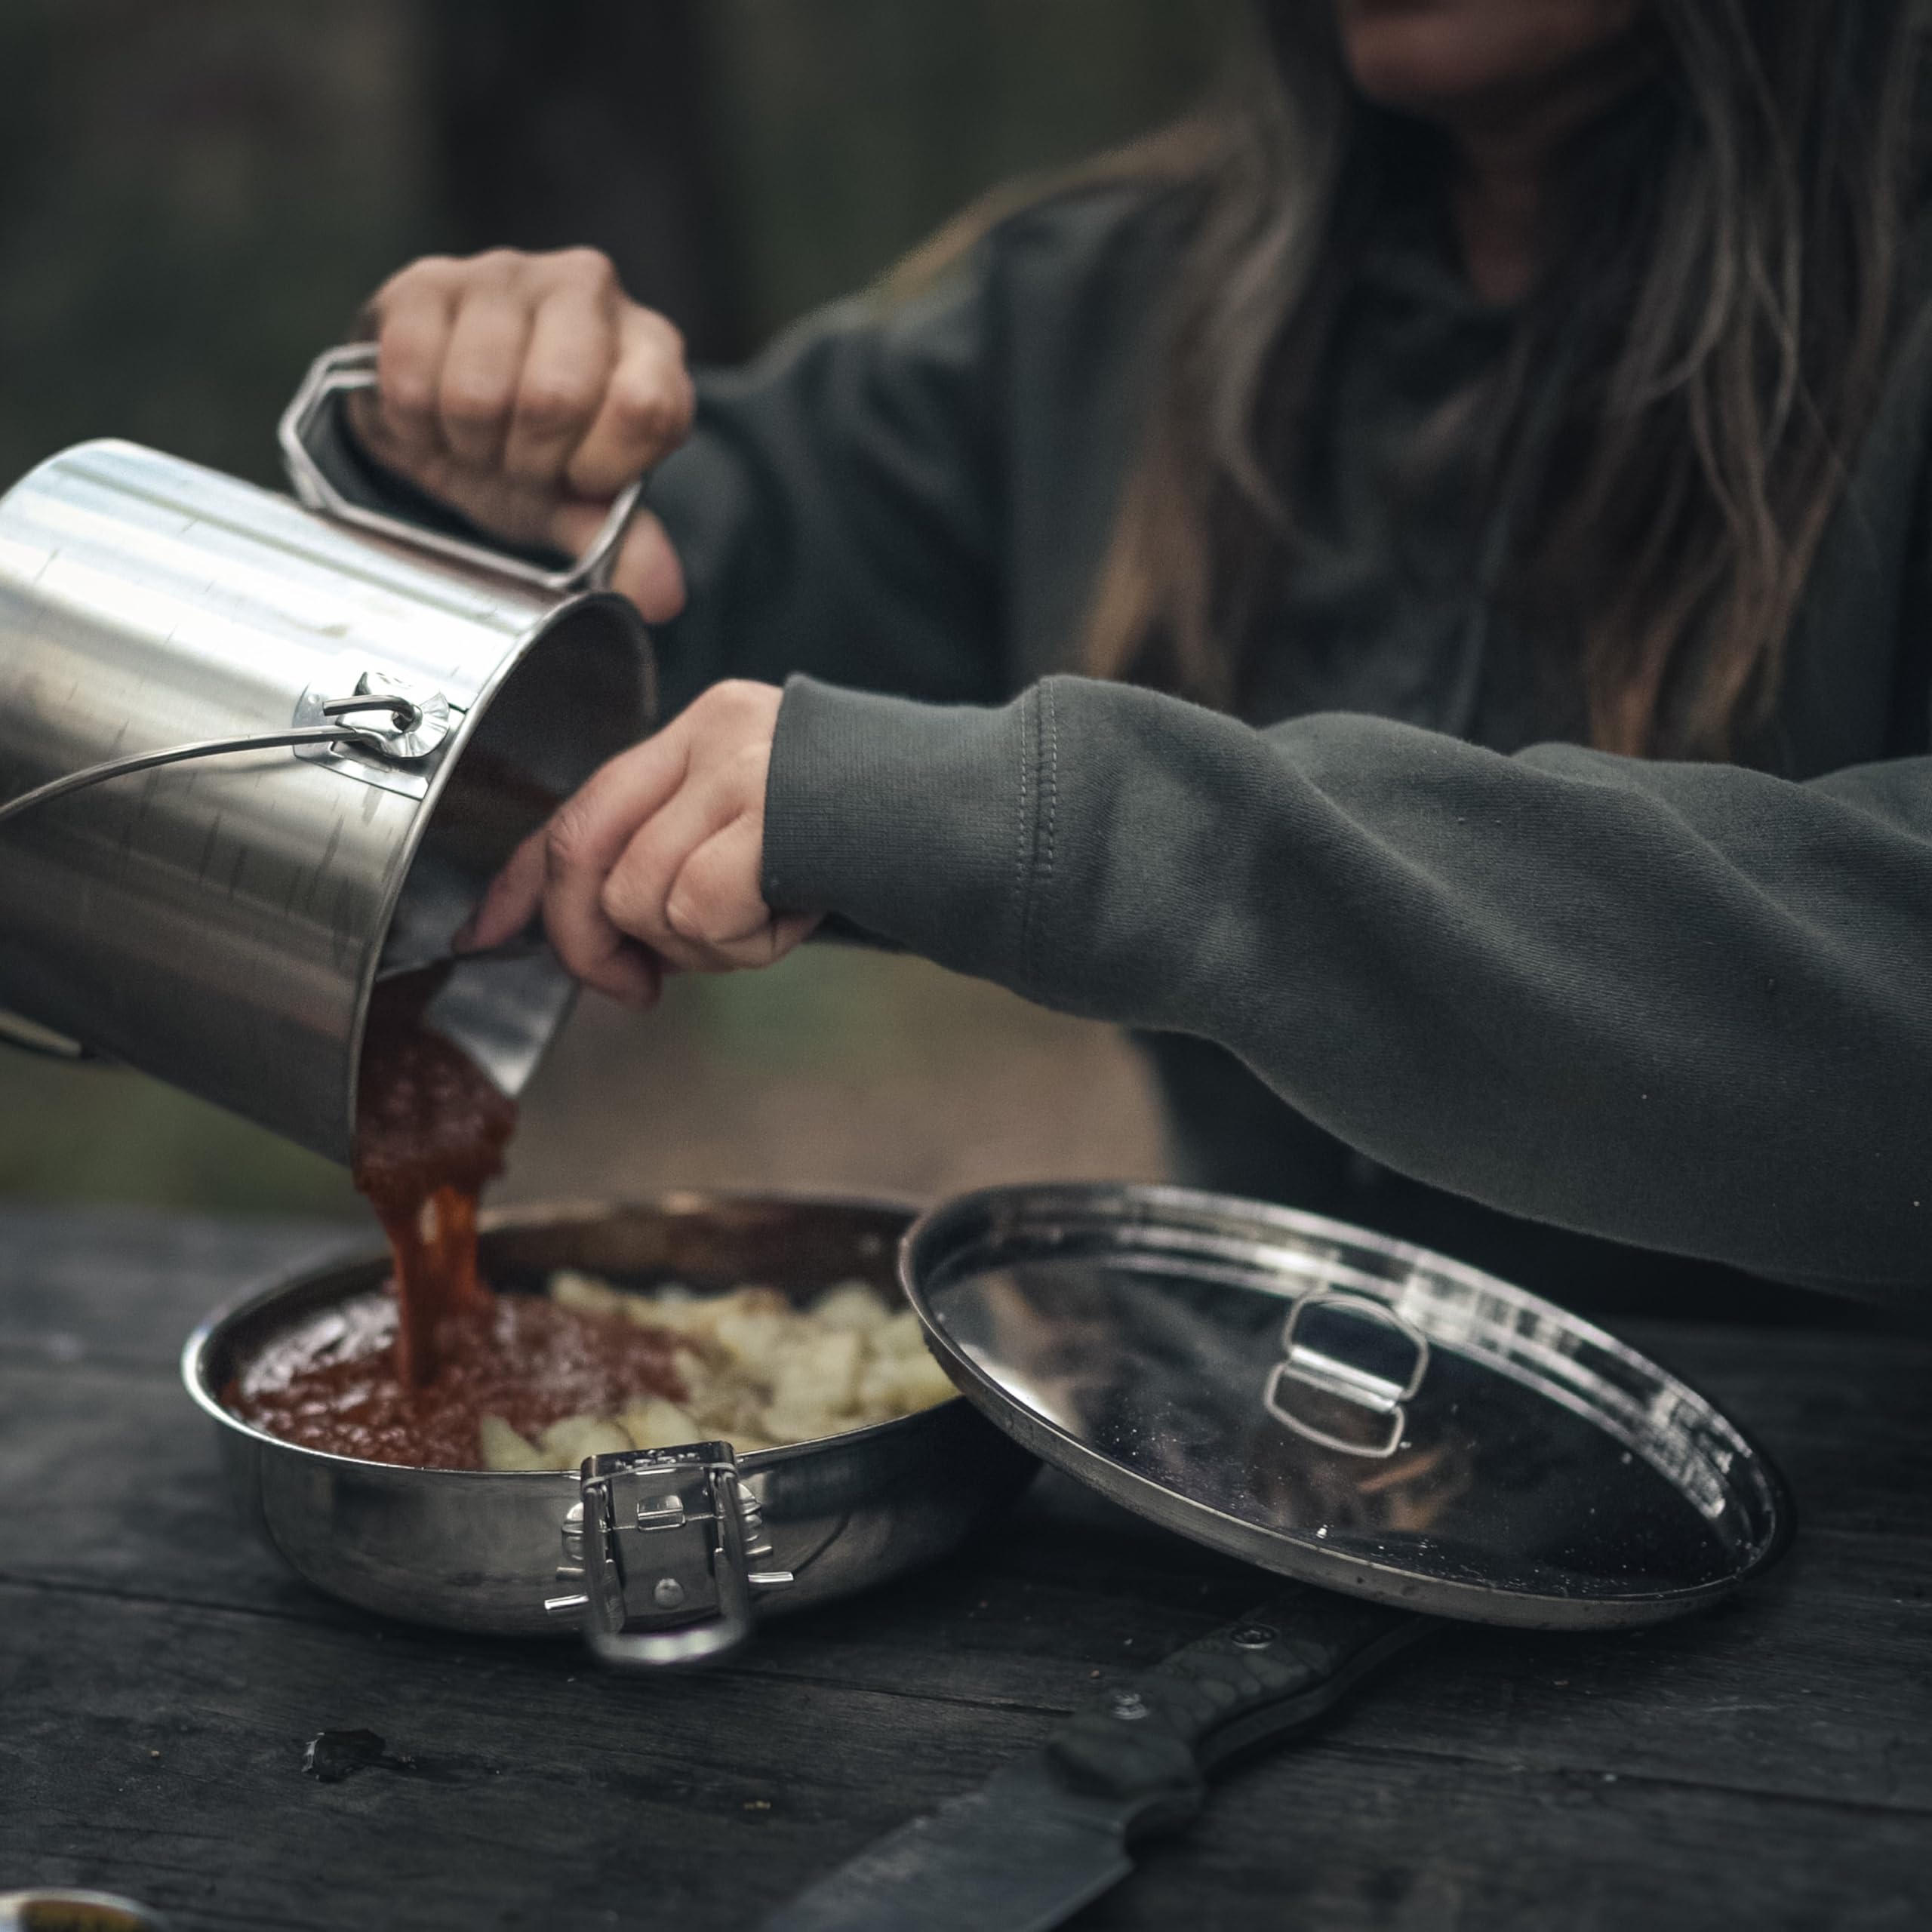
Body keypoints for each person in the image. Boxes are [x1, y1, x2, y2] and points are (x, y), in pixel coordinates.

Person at [339, 0, 1932, 1319]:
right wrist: (470, 466)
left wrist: (1092, 828)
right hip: (1277, 1489)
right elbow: (671, 601)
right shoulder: (1112, 307)